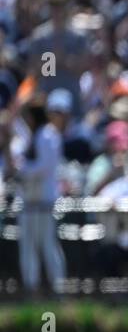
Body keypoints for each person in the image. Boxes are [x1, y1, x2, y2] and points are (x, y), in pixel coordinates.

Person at [6, 90, 71, 294]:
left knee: (47, 244)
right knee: (28, 246)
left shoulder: (48, 134)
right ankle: (31, 288)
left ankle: (59, 289)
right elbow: (14, 127)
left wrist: (22, 169)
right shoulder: (32, 135)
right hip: (27, 199)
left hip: (43, 200)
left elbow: (44, 166)